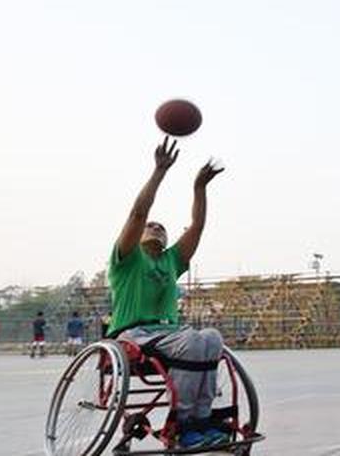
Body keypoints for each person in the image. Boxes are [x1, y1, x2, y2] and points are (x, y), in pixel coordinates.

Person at [109, 138, 227, 449]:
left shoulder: (171, 260)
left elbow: (197, 227)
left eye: (162, 226)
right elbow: (138, 213)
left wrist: (199, 188)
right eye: (152, 225)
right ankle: (184, 423)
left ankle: (201, 420)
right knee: (191, 340)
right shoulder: (127, 259)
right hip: (133, 334)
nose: (156, 226)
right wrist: (159, 171)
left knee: (212, 337)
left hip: (168, 334)